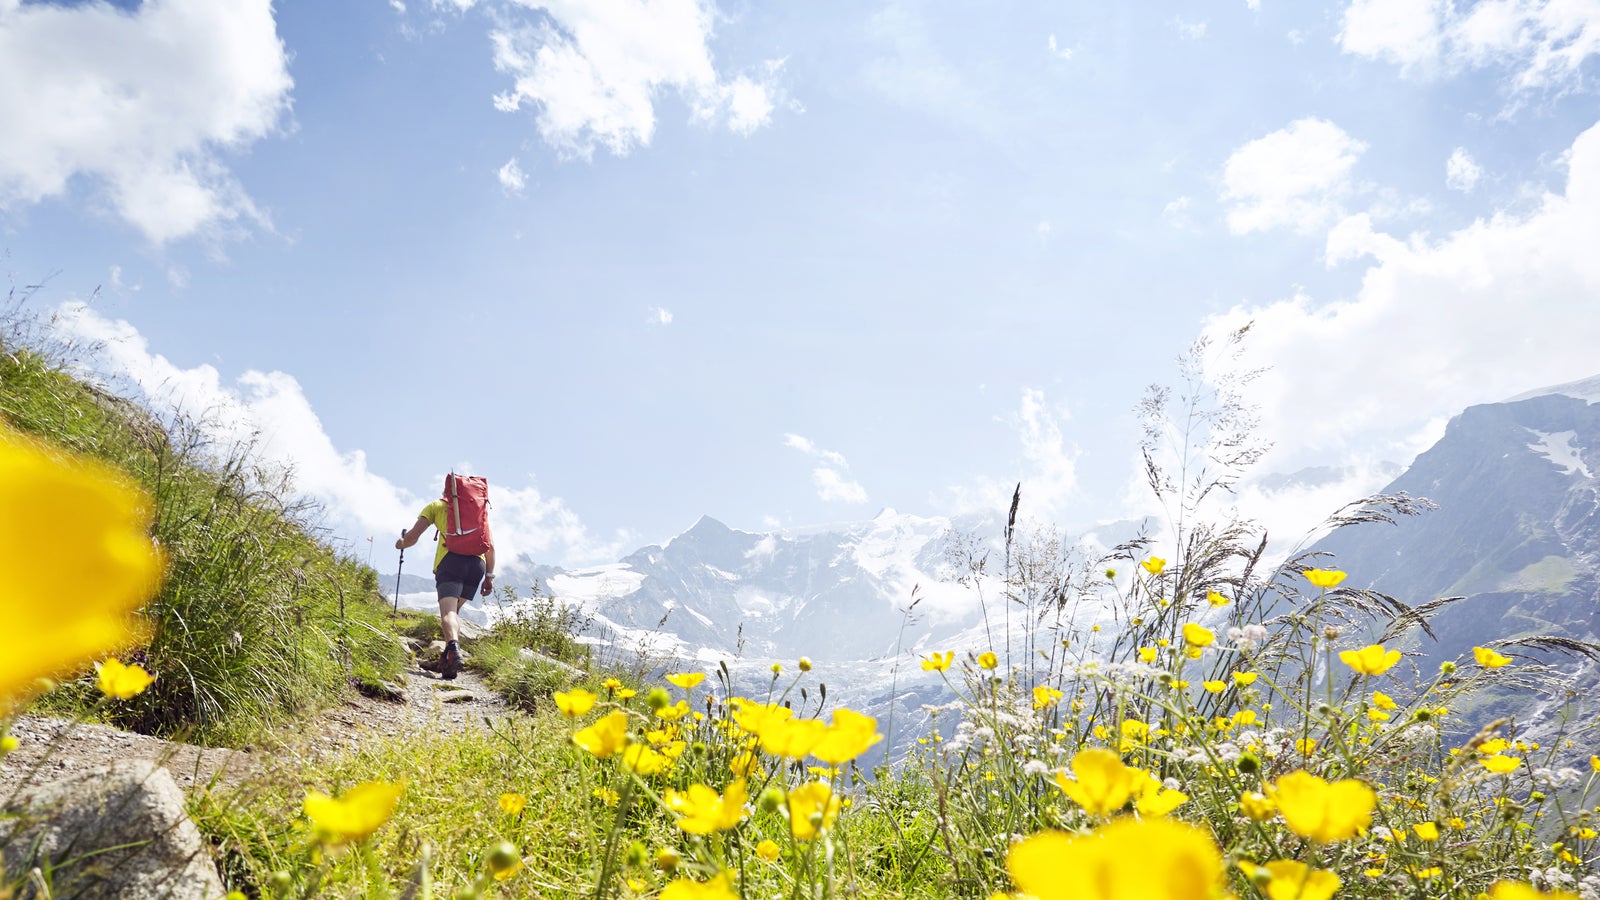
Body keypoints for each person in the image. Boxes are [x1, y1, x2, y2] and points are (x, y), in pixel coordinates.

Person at [396, 491, 495, 679]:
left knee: (448, 613)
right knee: (454, 612)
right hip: (477, 565)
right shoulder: (479, 513)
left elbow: (412, 537)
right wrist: (489, 577)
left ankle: (453, 650)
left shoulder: (436, 506)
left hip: (451, 562)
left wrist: (400, 543)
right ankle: (447, 661)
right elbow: (490, 547)